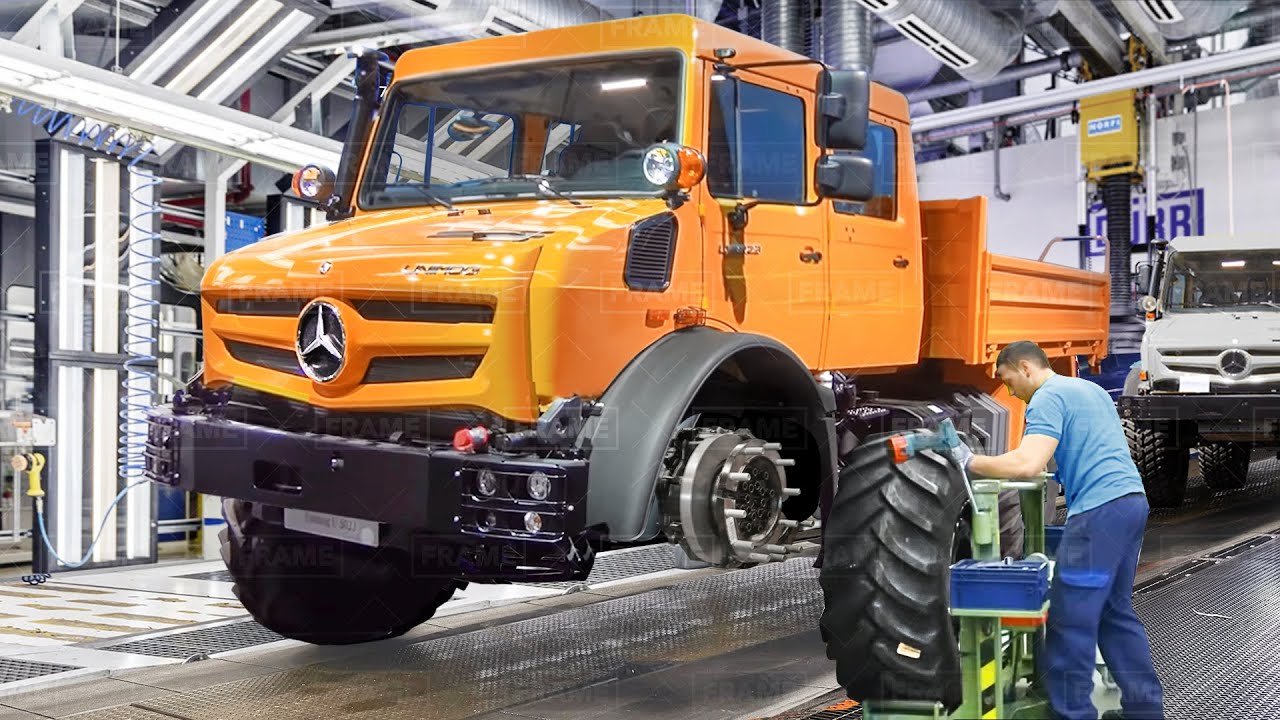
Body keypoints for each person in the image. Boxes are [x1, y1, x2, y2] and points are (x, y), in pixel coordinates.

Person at [948, 341, 1166, 720]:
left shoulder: (1046, 398)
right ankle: (1146, 711)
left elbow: (1028, 464)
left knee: (1070, 620)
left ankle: (1073, 714)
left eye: (1008, 379)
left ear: (1026, 368)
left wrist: (970, 461)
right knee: (1114, 614)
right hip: (1131, 503)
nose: (1010, 390)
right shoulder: (1090, 390)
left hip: (1098, 511)